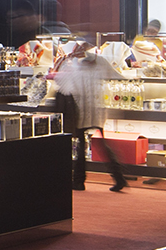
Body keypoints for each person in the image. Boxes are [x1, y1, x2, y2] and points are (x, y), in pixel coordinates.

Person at [51, 40, 125, 193]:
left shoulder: (73, 65)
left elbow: (61, 85)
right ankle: (118, 177)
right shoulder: (100, 61)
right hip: (97, 108)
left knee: (79, 146)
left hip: (80, 109)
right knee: (101, 143)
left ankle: (79, 181)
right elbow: (117, 76)